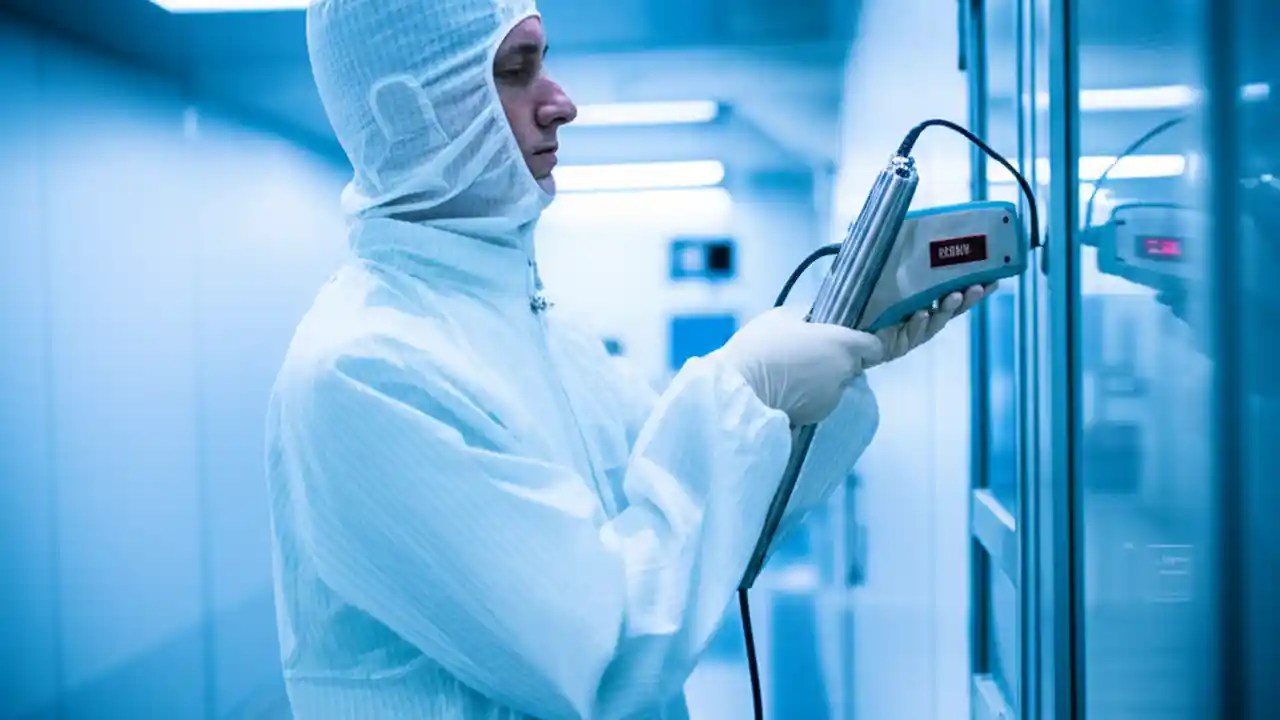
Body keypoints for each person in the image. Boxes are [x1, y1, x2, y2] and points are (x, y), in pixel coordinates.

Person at [265, 1, 994, 718]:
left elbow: (712, 542)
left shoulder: (543, 329)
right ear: (408, 113)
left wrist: (839, 354)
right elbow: (608, 654)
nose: (561, 103)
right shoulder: (364, 373)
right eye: (516, 71)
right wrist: (745, 390)